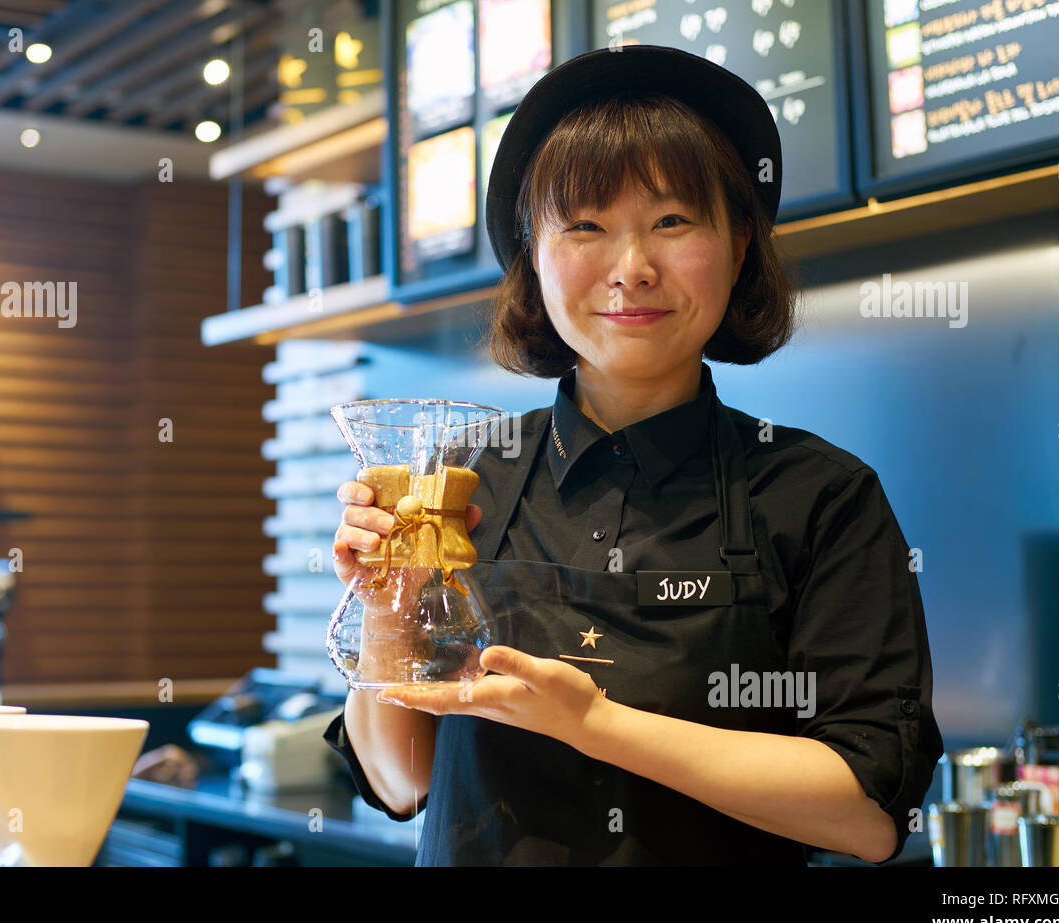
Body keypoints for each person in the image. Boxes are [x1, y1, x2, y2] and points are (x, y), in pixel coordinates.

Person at [324, 44, 943, 866]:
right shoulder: (469, 479)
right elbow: (400, 781)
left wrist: (595, 724)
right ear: (532, 256)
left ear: (741, 245)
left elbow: (867, 813)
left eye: (673, 222)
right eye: (585, 227)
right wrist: (385, 603)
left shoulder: (819, 497)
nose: (631, 269)